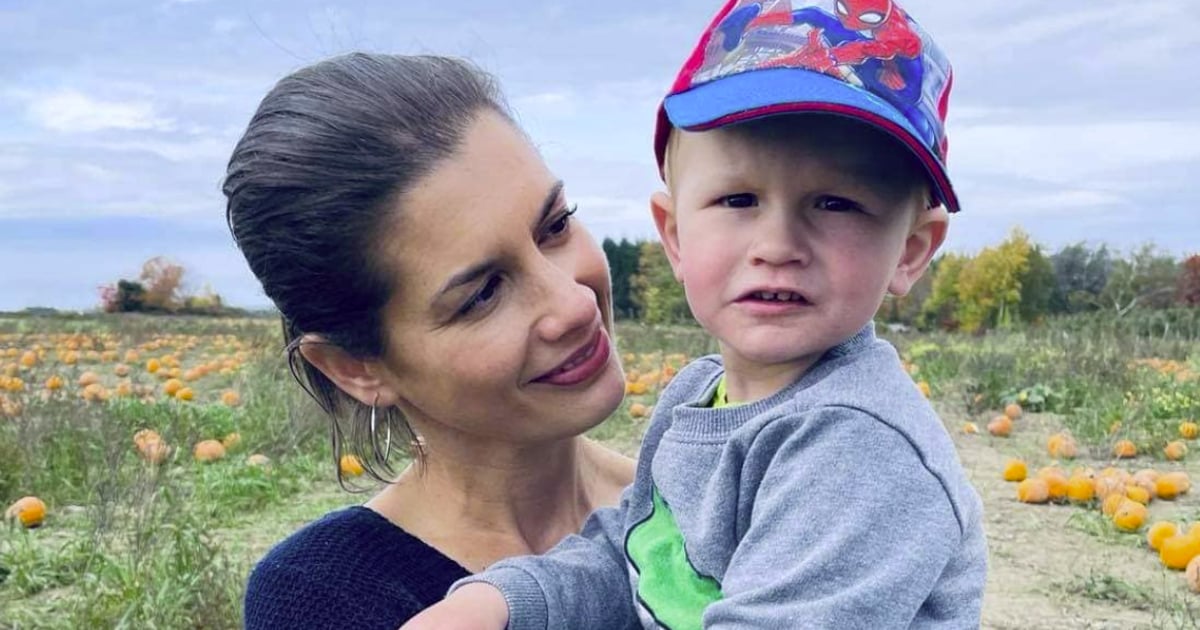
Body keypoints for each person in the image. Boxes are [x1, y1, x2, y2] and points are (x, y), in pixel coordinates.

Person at [401, 0, 987, 627]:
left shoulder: (861, 448)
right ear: (675, 236)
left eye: (836, 203)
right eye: (738, 199)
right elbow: (637, 554)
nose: (777, 245)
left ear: (911, 250)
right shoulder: (698, 395)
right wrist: (501, 603)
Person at [224, 52, 636, 629]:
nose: (574, 303)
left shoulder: (722, 501)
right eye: (483, 294)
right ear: (354, 367)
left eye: (556, 226)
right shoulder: (327, 600)